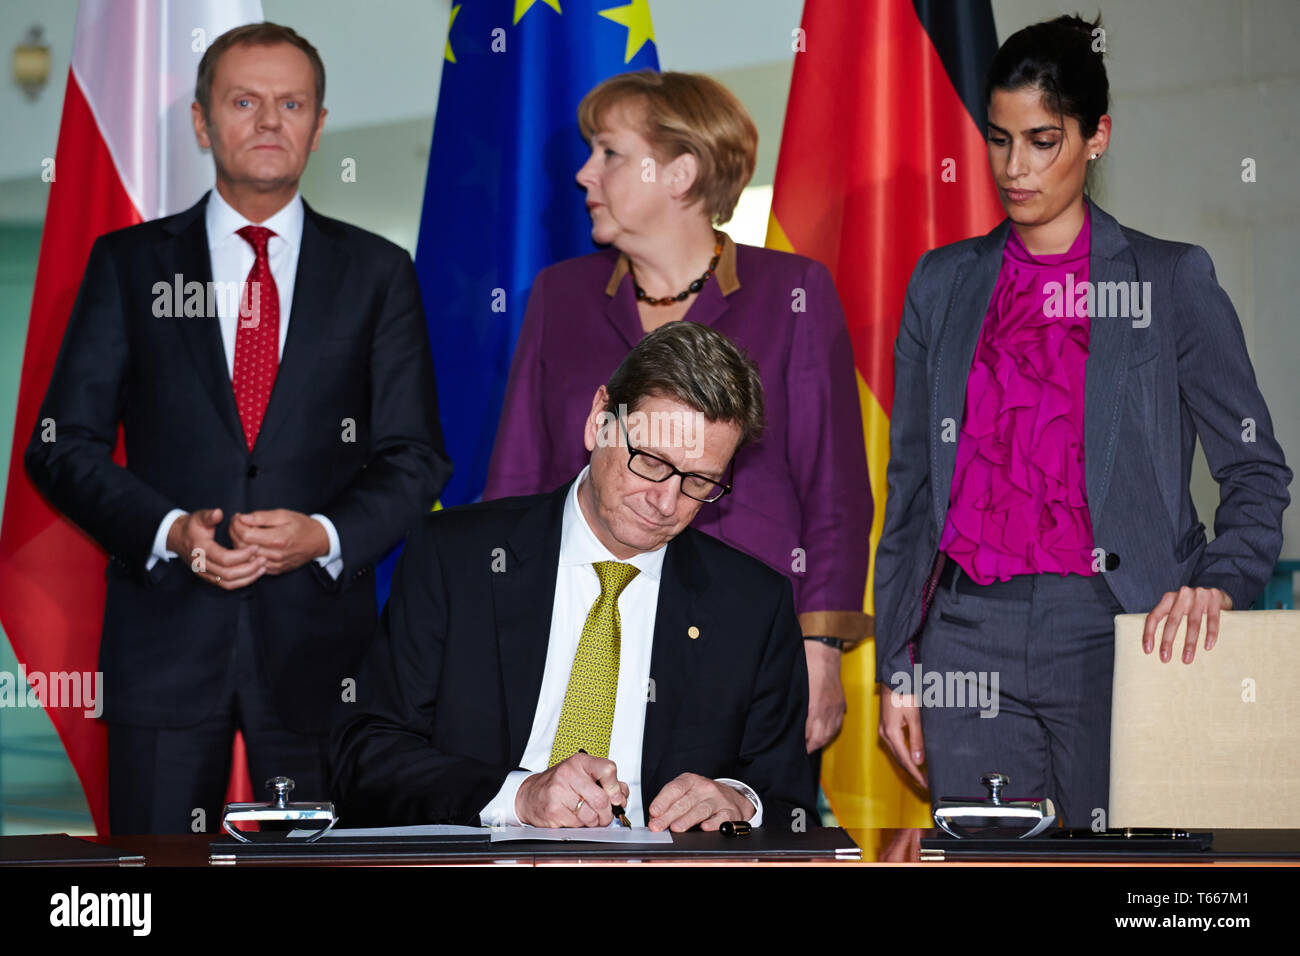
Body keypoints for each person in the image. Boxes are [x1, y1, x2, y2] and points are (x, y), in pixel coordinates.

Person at [24, 23, 450, 834]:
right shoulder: (129, 264)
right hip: (164, 643)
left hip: (326, 657)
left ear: (320, 126)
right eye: (244, 101)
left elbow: (415, 456)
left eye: (291, 103)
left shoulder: (376, 273)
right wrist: (171, 529)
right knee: (149, 879)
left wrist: (321, 535)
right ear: (200, 121)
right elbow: (59, 446)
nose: (268, 122)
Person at [874, 14, 1291, 827]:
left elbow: (1255, 468)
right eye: (998, 139)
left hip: (1124, 633)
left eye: (1042, 140)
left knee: (1136, 890)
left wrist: (1218, 583)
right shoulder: (941, 284)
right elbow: (912, 488)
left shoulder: (1172, 280)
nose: (1014, 168)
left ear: (1098, 136)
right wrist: (900, 661)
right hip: (964, 637)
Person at [483, 70, 870, 765]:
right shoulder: (558, 295)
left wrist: (818, 648)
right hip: (577, 627)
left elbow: (833, 490)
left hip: (740, 643)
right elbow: (518, 476)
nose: (583, 174)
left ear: (681, 172)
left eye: (608, 153)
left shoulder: (794, 293)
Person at [330, 322, 817, 831]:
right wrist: (517, 795)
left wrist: (740, 803)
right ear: (599, 421)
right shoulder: (456, 558)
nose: (666, 502)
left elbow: (791, 805)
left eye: (699, 481)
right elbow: (364, 754)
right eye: (651, 462)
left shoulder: (753, 606)